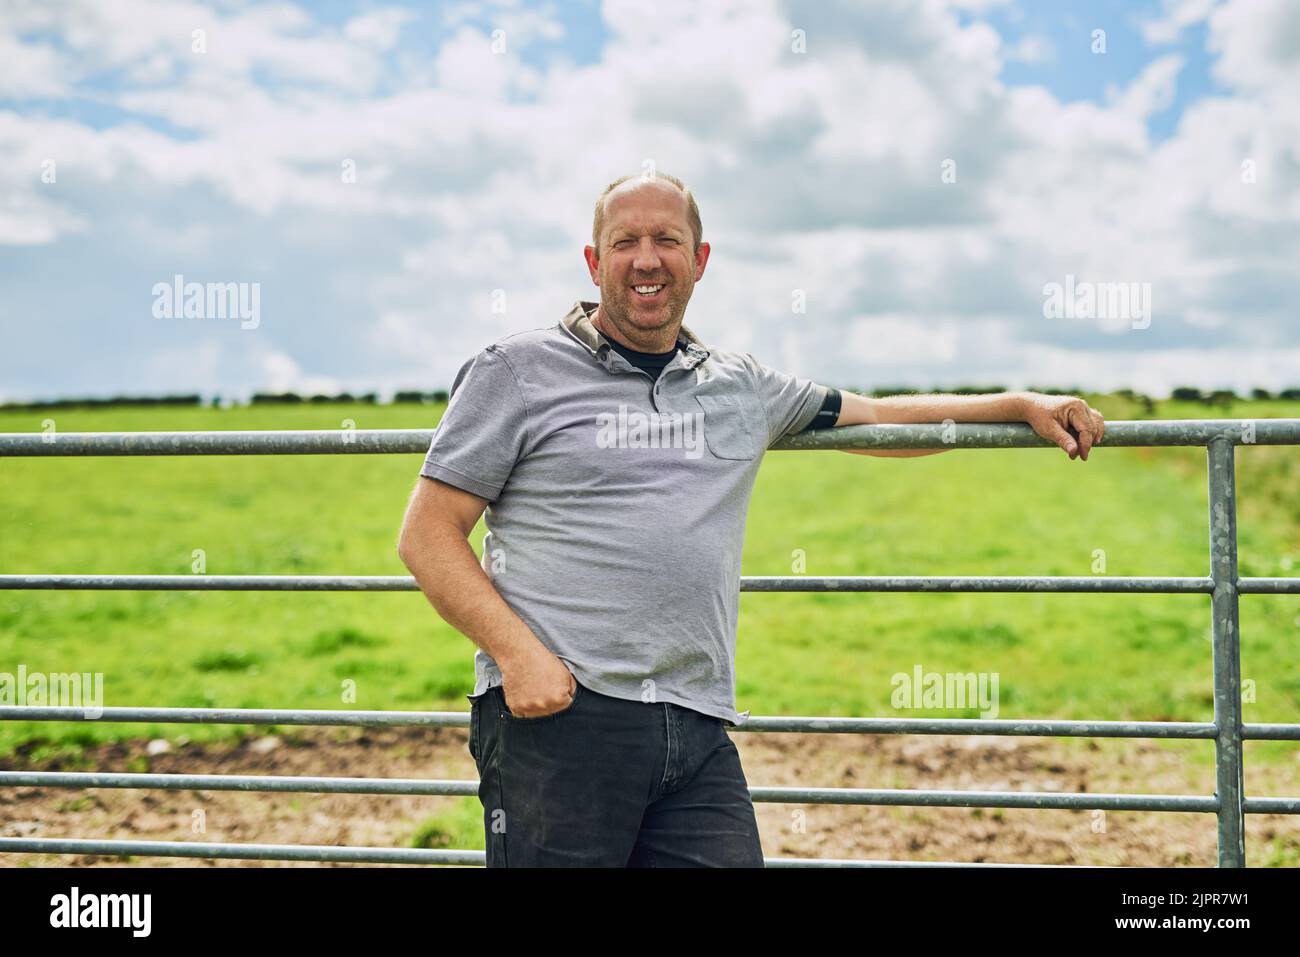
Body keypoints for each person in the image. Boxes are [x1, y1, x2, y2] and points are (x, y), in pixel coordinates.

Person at [396, 171, 1105, 867]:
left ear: (700, 261)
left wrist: (1018, 404)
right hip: (563, 719)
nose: (647, 258)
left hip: (696, 727)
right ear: (594, 260)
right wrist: (519, 657)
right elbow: (427, 534)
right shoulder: (516, 371)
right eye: (625, 241)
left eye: (668, 240)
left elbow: (882, 418)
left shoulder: (738, 384)